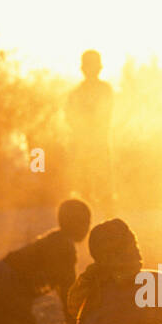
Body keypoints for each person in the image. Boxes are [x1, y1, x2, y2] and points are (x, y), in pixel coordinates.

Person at [65, 50, 115, 209]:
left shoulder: (104, 90)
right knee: (85, 189)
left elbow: (104, 115)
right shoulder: (77, 93)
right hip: (85, 147)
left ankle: (107, 222)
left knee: (104, 188)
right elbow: (71, 118)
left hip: (97, 145)